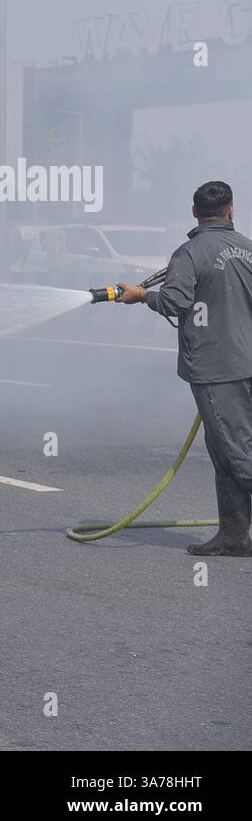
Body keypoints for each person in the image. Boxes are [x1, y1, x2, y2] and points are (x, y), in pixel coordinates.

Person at [119, 181, 252, 555]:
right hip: (245, 363)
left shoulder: (189, 253)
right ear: (231, 210)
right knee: (226, 452)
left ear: (194, 212)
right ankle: (234, 538)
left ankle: (235, 535)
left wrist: (142, 295)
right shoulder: (248, 249)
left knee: (237, 456)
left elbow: (175, 302)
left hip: (217, 369)